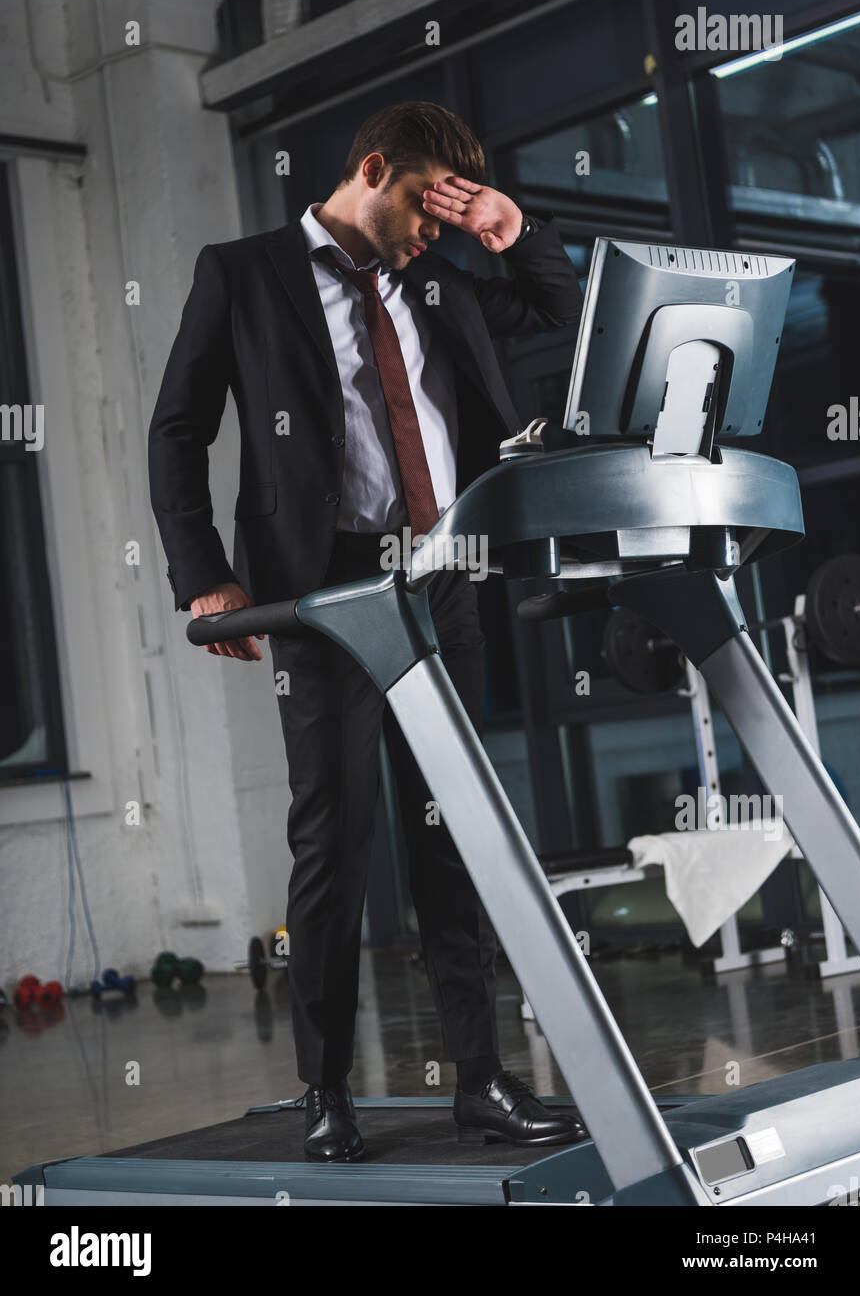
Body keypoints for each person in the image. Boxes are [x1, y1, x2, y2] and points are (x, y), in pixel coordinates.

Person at [148, 100, 585, 1161]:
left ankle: (479, 1082)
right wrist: (207, 578)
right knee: (334, 843)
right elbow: (177, 427)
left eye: (450, 214)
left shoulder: (437, 278)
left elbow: (562, 309)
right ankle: (326, 1092)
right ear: (374, 168)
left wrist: (507, 226)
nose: (431, 230)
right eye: (423, 206)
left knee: (454, 836)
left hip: (438, 579)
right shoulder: (241, 273)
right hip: (327, 590)